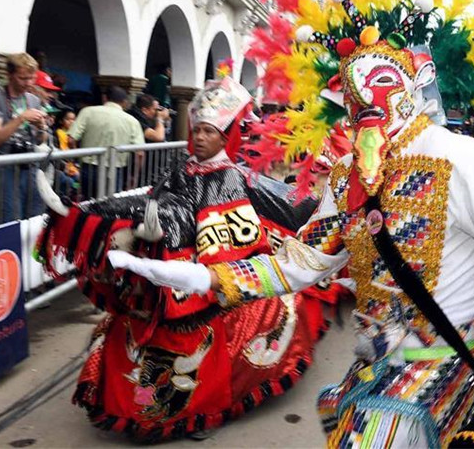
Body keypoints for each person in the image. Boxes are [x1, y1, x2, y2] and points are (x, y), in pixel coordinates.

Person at [109, 0, 474, 449]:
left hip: (435, 374)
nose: (365, 101)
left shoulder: (471, 163)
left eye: (379, 81)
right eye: (351, 91)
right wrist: (201, 276)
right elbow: (303, 259)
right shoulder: (349, 177)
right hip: (371, 370)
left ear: (415, 80)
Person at [36, 75, 340, 441]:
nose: (198, 136)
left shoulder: (238, 176)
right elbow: (148, 201)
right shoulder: (181, 170)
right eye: (197, 129)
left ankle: (203, 407)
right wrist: (84, 212)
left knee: (214, 343)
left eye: (209, 131)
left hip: (219, 279)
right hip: (170, 275)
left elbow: (291, 204)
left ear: (225, 135)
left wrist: (338, 201)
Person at [0, 52, 48, 224]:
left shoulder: (33, 100)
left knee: (35, 216)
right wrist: (21, 118)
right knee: (9, 219)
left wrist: (41, 127)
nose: (29, 83)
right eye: (23, 78)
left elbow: (41, 140)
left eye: (32, 78)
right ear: (9, 75)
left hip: (28, 166)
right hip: (4, 168)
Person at [68, 86, 144, 198]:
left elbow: (71, 139)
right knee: (110, 207)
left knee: (87, 203)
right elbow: (140, 153)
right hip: (115, 170)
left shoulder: (87, 112)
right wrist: (134, 177)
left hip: (88, 168)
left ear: (104, 98)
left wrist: (76, 160)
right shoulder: (132, 121)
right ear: (124, 102)